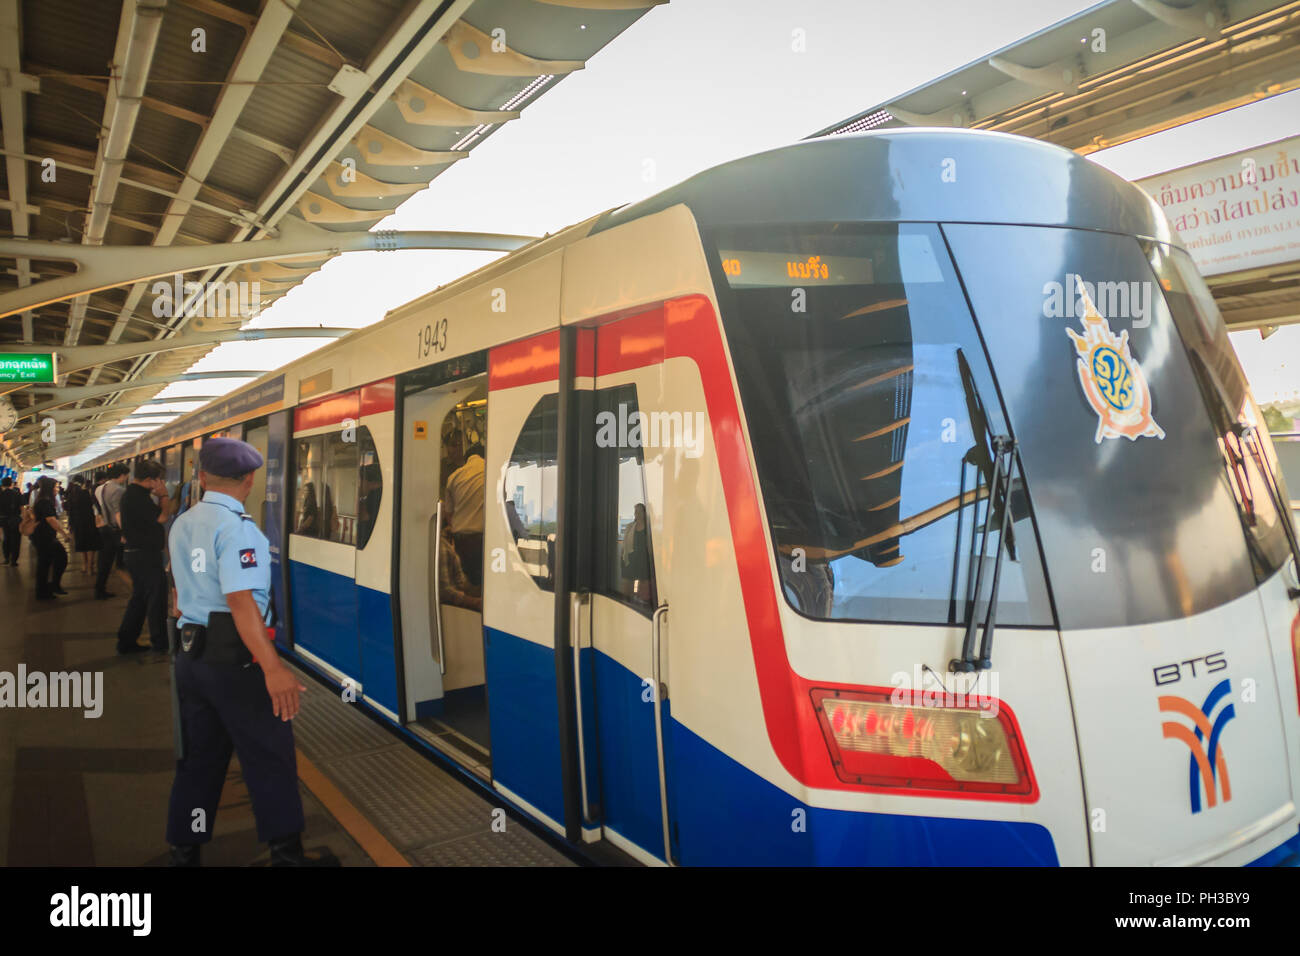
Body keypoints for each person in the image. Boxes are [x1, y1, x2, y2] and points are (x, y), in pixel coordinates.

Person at [166, 437, 324, 867]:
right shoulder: (237, 529)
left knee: (199, 761)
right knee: (268, 757)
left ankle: (186, 851)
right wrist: (273, 669)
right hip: (236, 662)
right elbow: (241, 603)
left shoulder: (183, 522)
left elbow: (178, 598)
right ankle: (287, 857)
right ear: (250, 480)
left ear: (201, 478)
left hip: (190, 657)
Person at [116, 460, 172, 654]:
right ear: (150, 479)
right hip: (144, 556)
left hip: (137, 554)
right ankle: (160, 643)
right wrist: (164, 496)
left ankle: (126, 641)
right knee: (156, 599)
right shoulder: (137, 497)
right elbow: (163, 517)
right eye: (160, 480)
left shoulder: (133, 495)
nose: (161, 483)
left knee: (140, 599)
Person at [444, 442, 485, 588]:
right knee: (483, 582)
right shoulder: (491, 471)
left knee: (466, 582)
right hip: (483, 541)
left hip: (461, 541)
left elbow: (448, 514)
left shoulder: (454, 476)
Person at [30, 475, 70, 600]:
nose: (58, 489)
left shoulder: (42, 499)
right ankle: (50, 587)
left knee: (45, 563)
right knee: (60, 558)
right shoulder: (45, 501)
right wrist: (64, 533)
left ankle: (45, 590)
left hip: (41, 536)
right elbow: (51, 519)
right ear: (50, 488)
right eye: (56, 486)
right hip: (44, 536)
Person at [94, 464, 129, 599]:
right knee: (118, 563)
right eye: (126, 475)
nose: (126, 478)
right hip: (115, 531)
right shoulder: (118, 490)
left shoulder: (104, 488)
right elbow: (118, 513)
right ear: (121, 475)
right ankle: (101, 590)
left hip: (105, 528)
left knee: (104, 561)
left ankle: (100, 588)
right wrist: (124, 532)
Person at [438, 504, 481, 612]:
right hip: (456, 606)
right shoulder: (441, 547)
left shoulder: (445, 540)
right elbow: (445, 592)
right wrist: (476, 602)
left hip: (464, 591)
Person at [619, 502, 653, 604]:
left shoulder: (649, 528)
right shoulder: (630, 527)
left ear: (644, 513)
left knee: (643, 594)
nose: (636, 513)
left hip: (643, 562)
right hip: (630, 561)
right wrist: (622, 560)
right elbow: (624, 546)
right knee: (626, 592)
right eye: (635, 511)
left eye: (639, 511)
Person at [67, 478, 100, 574]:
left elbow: (70, 511)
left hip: (78, 522)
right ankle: (90, 567)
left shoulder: (71, 495)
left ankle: (84, 565)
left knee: (82, 544)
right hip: (90, 521)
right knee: (91, 544)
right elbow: (94, 506)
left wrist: (71, 524)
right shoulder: (87, 493)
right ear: (83, 483)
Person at [0, 476, 22, 566]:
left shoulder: (0, 494)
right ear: (11, 484)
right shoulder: (16, 493)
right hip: (15, 519)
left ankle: (6, 558)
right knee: (15, 539)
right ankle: (14, 560)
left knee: (6, 538)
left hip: (3, 519)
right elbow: (22, 507)